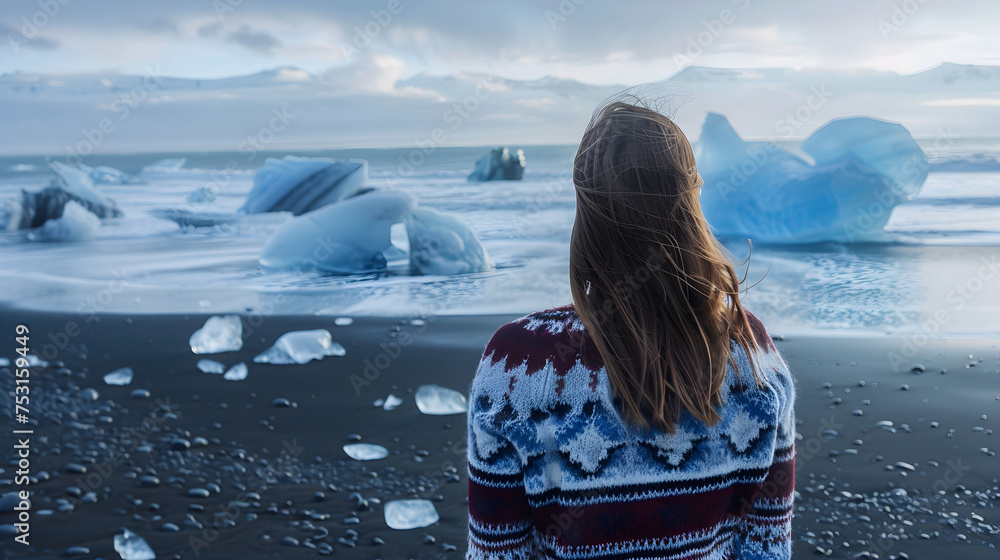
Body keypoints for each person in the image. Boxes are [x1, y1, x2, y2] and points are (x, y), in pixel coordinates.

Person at [465, 98, 796, 560]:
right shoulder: (751, 349)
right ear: (690, 204)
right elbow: (766, 549)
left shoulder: (515, 364)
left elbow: (498, 553)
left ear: (587, 212)